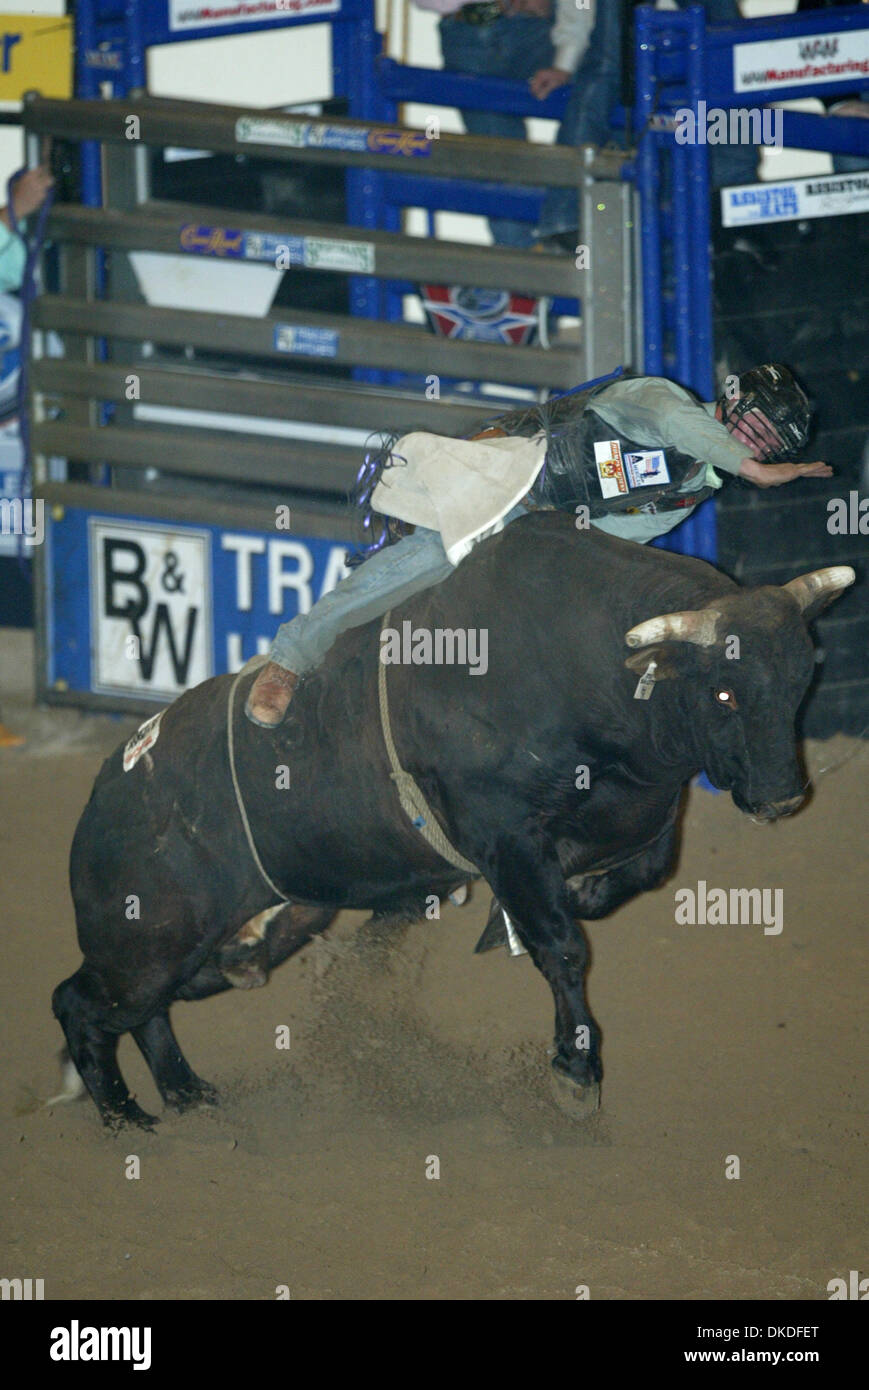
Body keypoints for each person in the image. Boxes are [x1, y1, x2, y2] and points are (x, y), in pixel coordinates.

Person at [245, 364, 831, 726]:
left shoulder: (687, 493)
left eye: (765, 442)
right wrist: (749, 468)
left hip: (543, 531)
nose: (750, 440)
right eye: (752, 425)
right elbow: (684, 430)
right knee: (426, 557)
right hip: (506, 480)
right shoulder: (664, 401)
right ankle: (291, 658)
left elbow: (618, 533)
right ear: (733, 402)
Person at [534, 0, 758, 252]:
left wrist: (566, 58)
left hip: (660, 80)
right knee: (729, 57)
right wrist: (566, 59)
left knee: (728, 58)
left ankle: (564, 215)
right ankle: (740, 216)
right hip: (661, 81)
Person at [414, 0, 592, 246]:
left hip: (482, 27)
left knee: (502, 162)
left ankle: (535, 258)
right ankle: (561, 240)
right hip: (501, 27)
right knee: (503, 161)